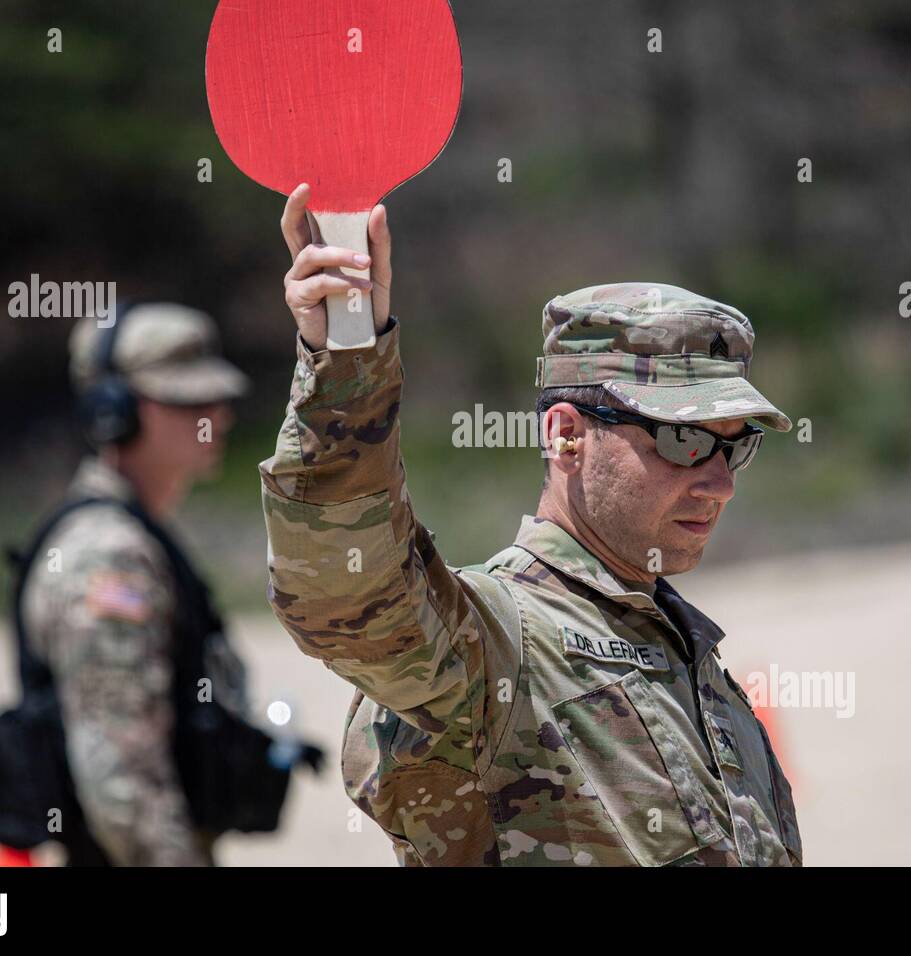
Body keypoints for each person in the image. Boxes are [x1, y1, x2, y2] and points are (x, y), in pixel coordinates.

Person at [260, 184, 802, 866]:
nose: (720, 482)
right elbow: (345, 595)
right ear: (567, 437)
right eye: (684, 441)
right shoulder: (499, 646)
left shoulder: (690, 659)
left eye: (734, 445)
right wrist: (344, 353)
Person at [0, 302, 302, 866]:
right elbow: (123, 787)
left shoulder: (138, 535)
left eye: (218, 398)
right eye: (188, 400)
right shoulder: (110, 556)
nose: (217, 416)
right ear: (115, 412)